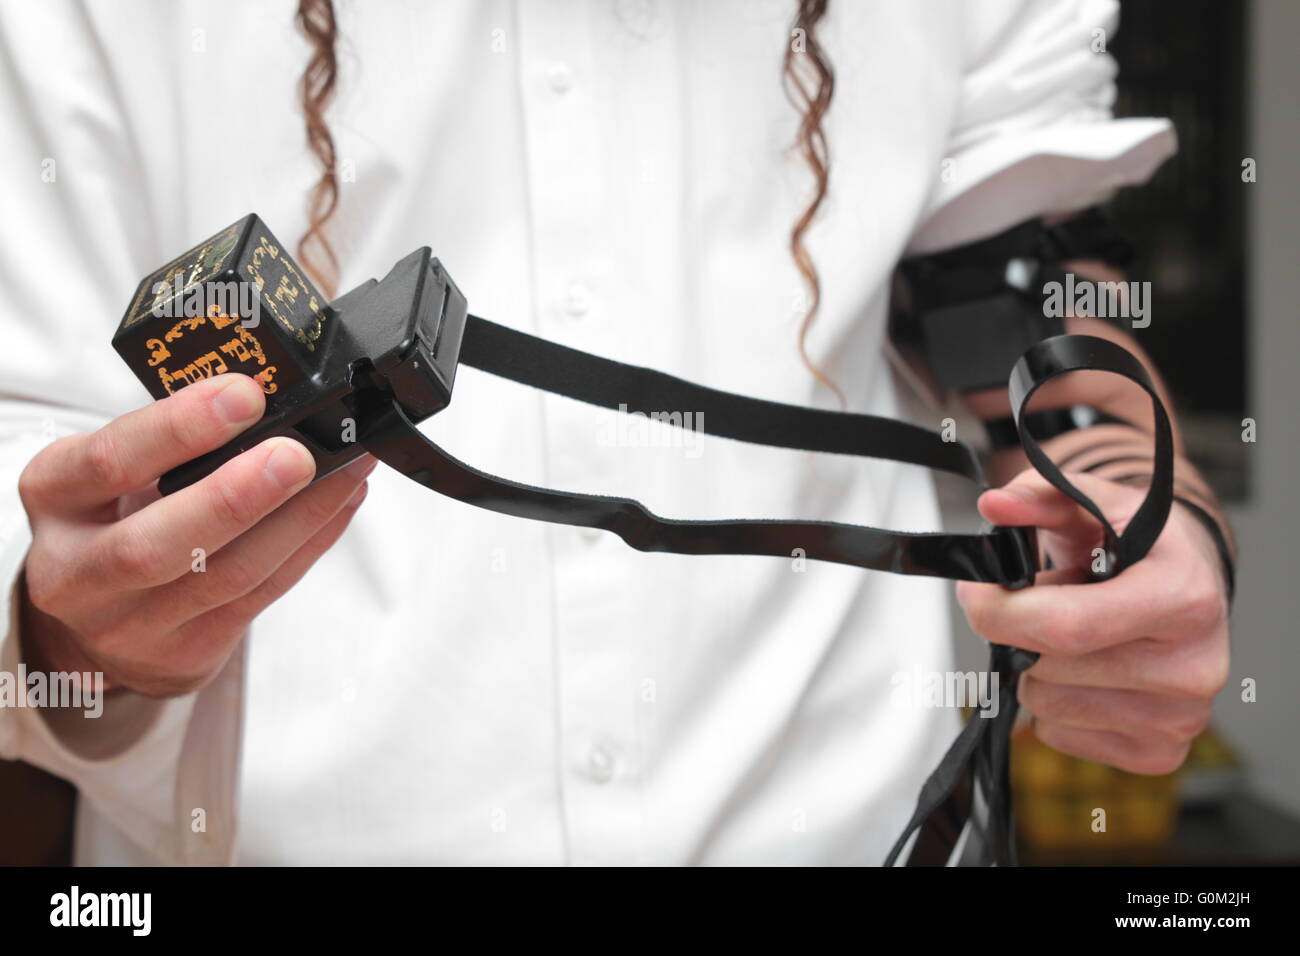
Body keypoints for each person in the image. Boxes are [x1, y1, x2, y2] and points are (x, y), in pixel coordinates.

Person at [0, 0, 1232, 865]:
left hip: (863, 832)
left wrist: (1147, 509)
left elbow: (1006, 290)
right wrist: (73, 629)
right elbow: (35, 476)